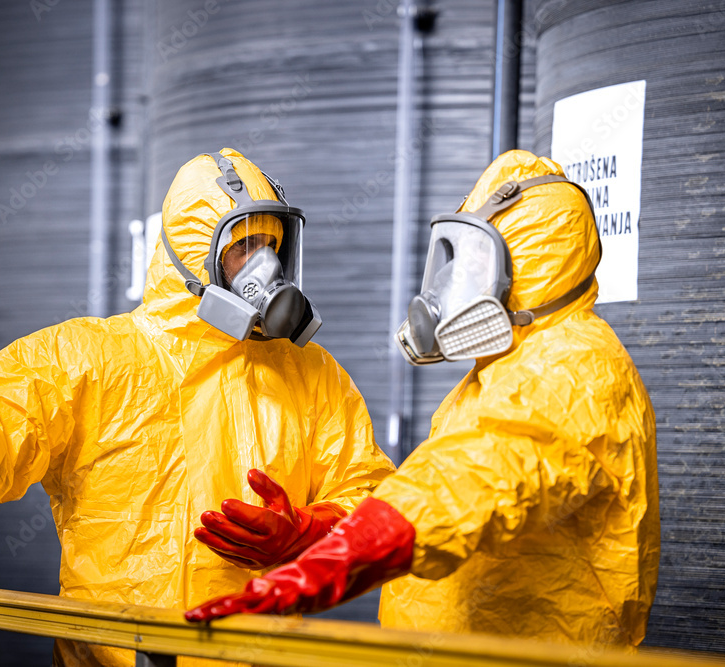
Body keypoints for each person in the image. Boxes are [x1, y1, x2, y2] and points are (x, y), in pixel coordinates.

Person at [0, 149, 396, 667]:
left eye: (273, 247)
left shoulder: (312, 374)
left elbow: (370, 494)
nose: (265, 269)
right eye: (244, 248)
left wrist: (308, 533)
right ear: (192, 253)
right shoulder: (89, 360)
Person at [185, 150, 661, 650]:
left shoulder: (575, 369)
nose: (455, 285)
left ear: (532, 271)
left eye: (477, 265)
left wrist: (327, 563)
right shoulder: (503, 370)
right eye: (457, 261)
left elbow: (464, 481)